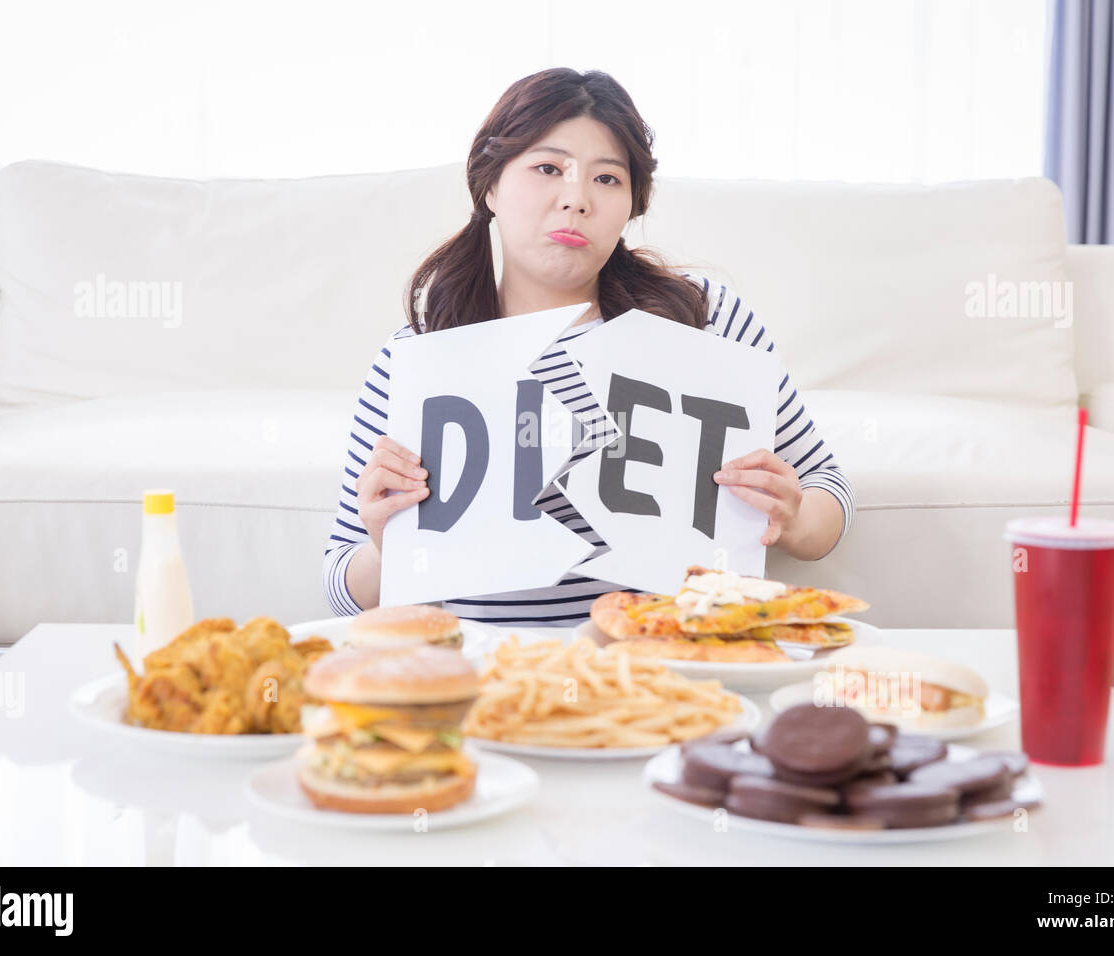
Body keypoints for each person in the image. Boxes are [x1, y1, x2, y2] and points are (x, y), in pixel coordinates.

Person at [323, 68, 855, 626]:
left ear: (632, 203)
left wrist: (793, 519)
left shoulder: (706, 321)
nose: (575, 200)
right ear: (490, 186)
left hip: (664, 669)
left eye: (607, 179)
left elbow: (830, 494)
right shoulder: (421, 354)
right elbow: (340, 584)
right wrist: (391, 545)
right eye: (547, 168)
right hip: (495, 678)